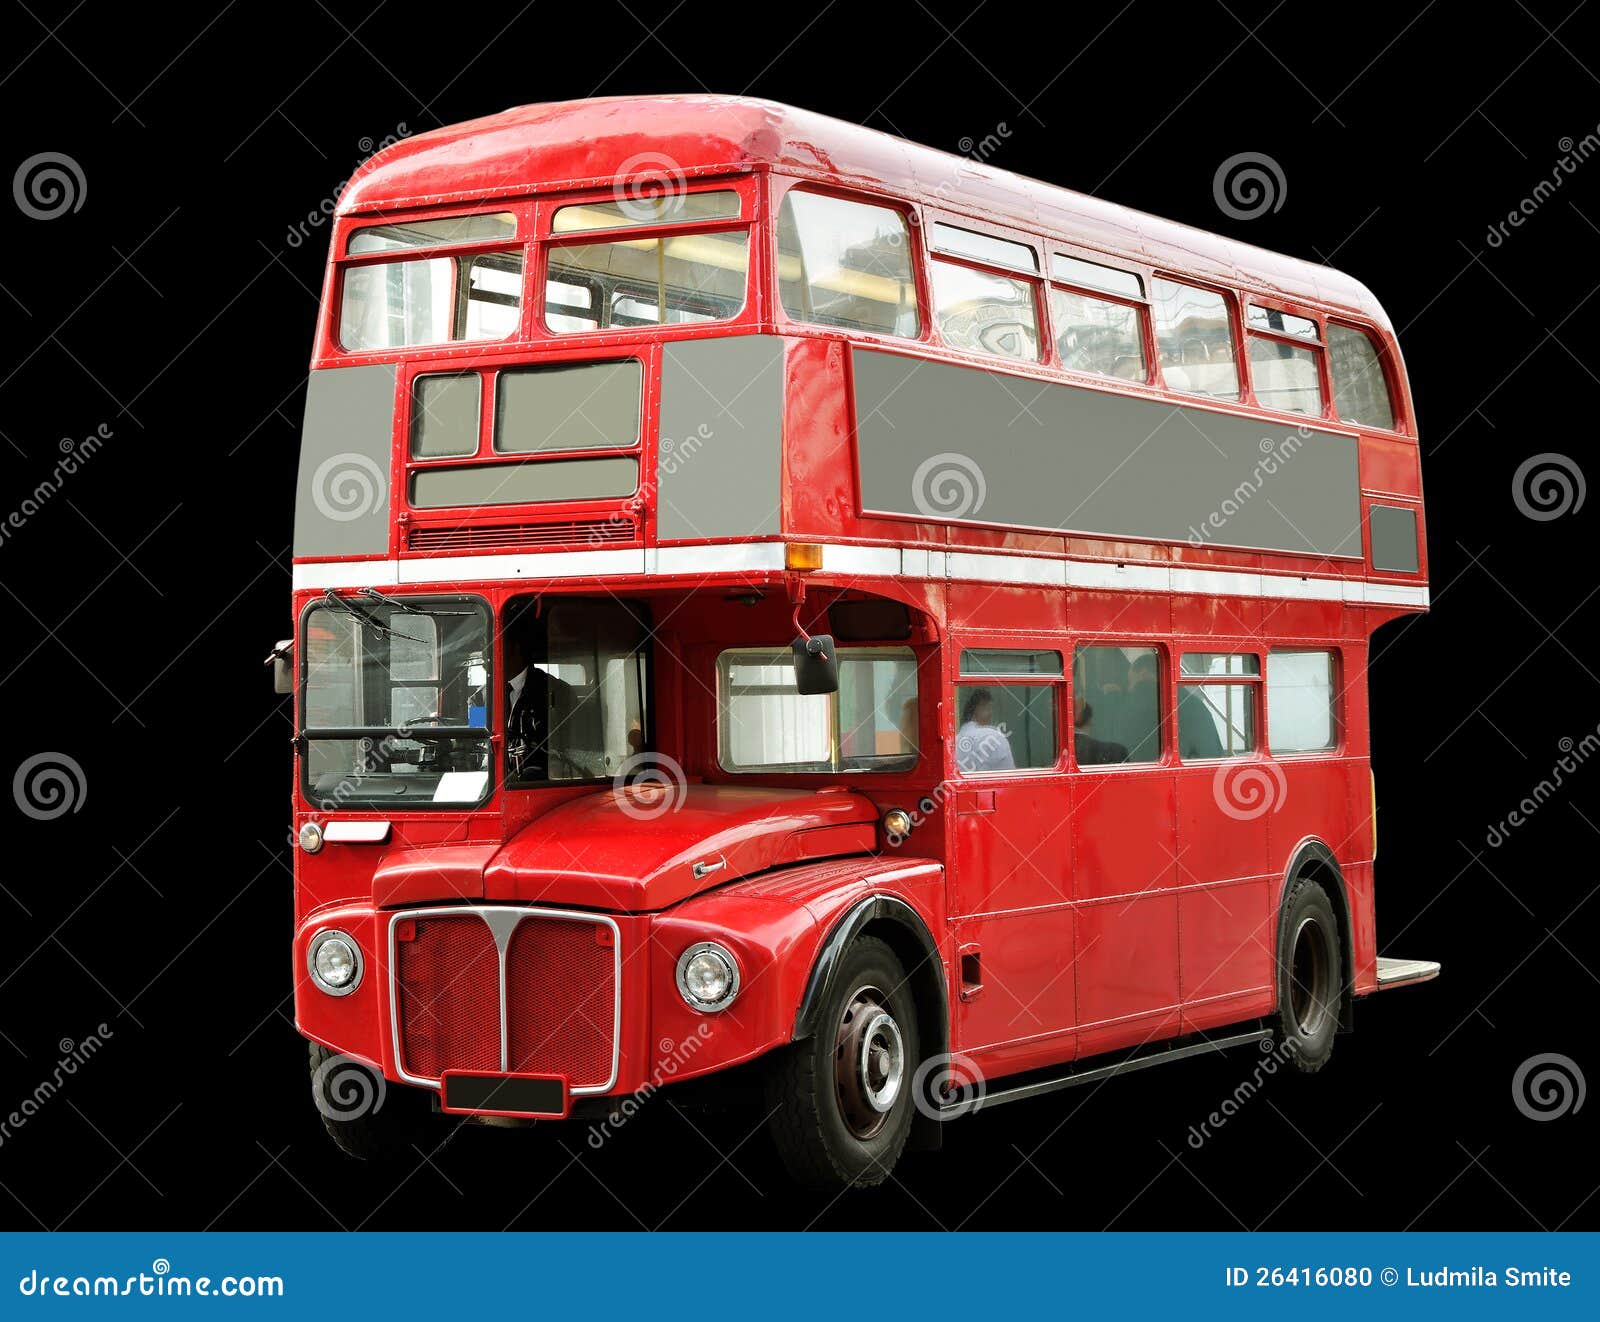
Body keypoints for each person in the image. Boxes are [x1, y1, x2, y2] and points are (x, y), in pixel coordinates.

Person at [955, 688, 1016, 773]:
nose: (991, 713)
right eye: (988, 707)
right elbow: (1010, 777)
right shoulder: (994, 737)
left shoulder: (955, 740)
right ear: (977, 708)